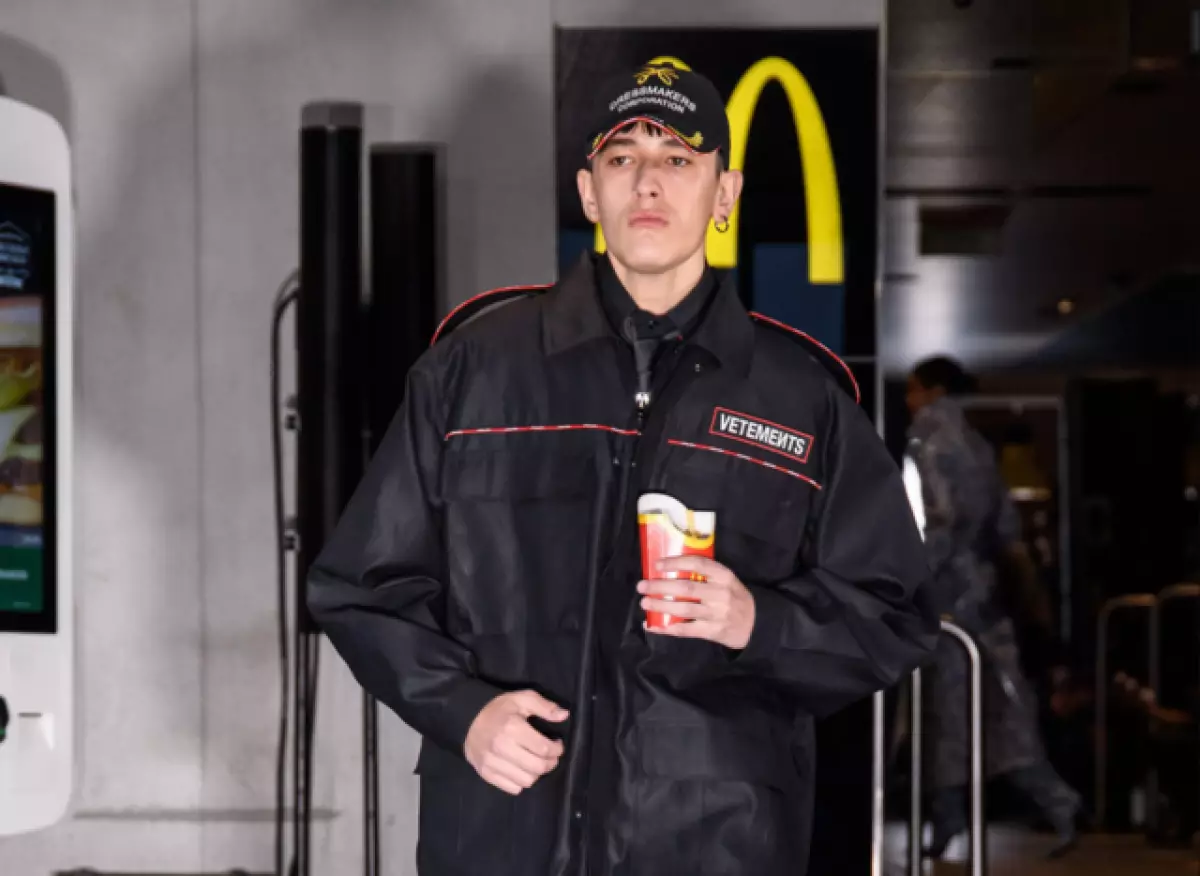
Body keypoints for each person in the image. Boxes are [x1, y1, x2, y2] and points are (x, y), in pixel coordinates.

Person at [308, 60, 940, 876]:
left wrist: (762, 623)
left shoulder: (802, 399)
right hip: (499, 834)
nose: (648, 182)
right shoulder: (473, 370)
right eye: (622, 158)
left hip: (716, 843)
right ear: (588, 191)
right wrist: (462, 712)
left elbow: (896, 614)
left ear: (724, 194)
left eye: (678, 159)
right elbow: (358, 586)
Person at [905, 356, 1083, 860]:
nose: (908, 398)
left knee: (947, 710)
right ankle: (1053, 801)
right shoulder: (980, 444)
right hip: (983, 591)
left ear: (932, 390)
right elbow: (1004, 526)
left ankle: (948, 816)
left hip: (947, 594)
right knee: (1003, 709)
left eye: (914, 389)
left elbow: (938, 521)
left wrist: (911, 577)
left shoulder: (929, 440)